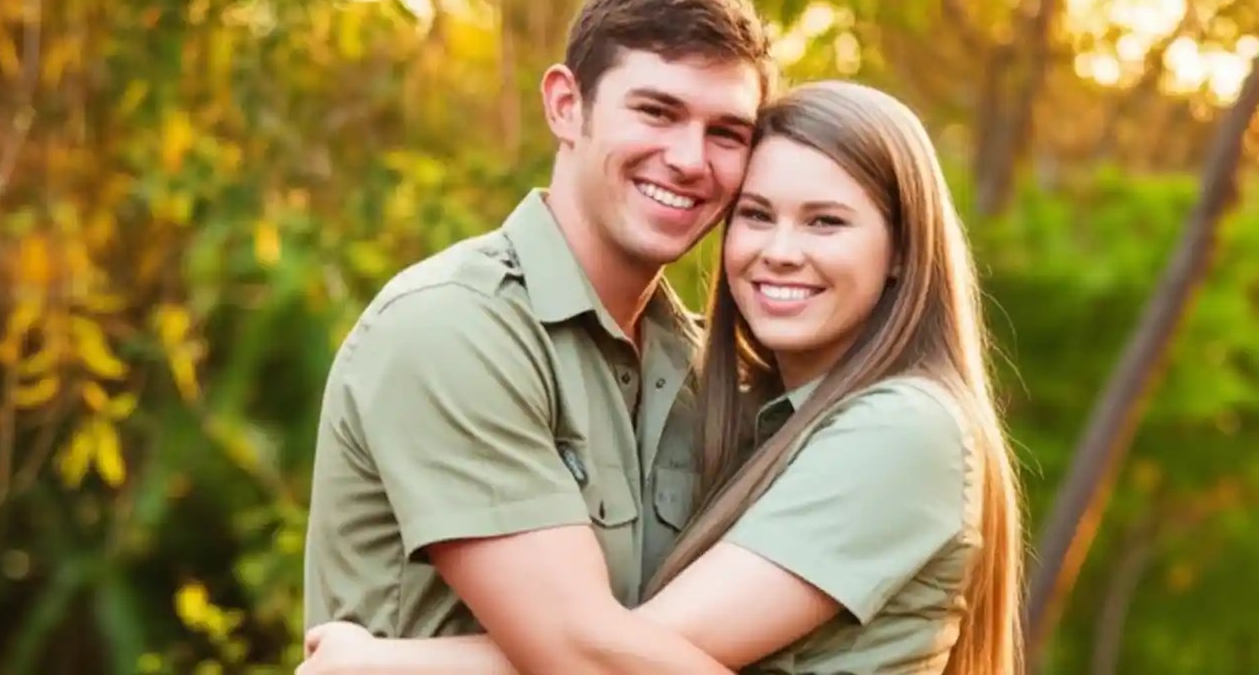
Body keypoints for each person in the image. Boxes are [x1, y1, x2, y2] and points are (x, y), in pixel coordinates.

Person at [301, 80, 1025, 675]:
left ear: (902, 250)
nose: (780, 251)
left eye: (825, 222)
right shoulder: (750, 408)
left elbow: (614, 656)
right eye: (756, 215)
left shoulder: (901, 428)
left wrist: (381, 665)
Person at [301, 0, 774, 675]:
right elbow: (581, 659)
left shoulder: (714, 372)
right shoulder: (451, 329)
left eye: (727, 133)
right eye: (656, 111)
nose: (688, 159)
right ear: (564, 104)